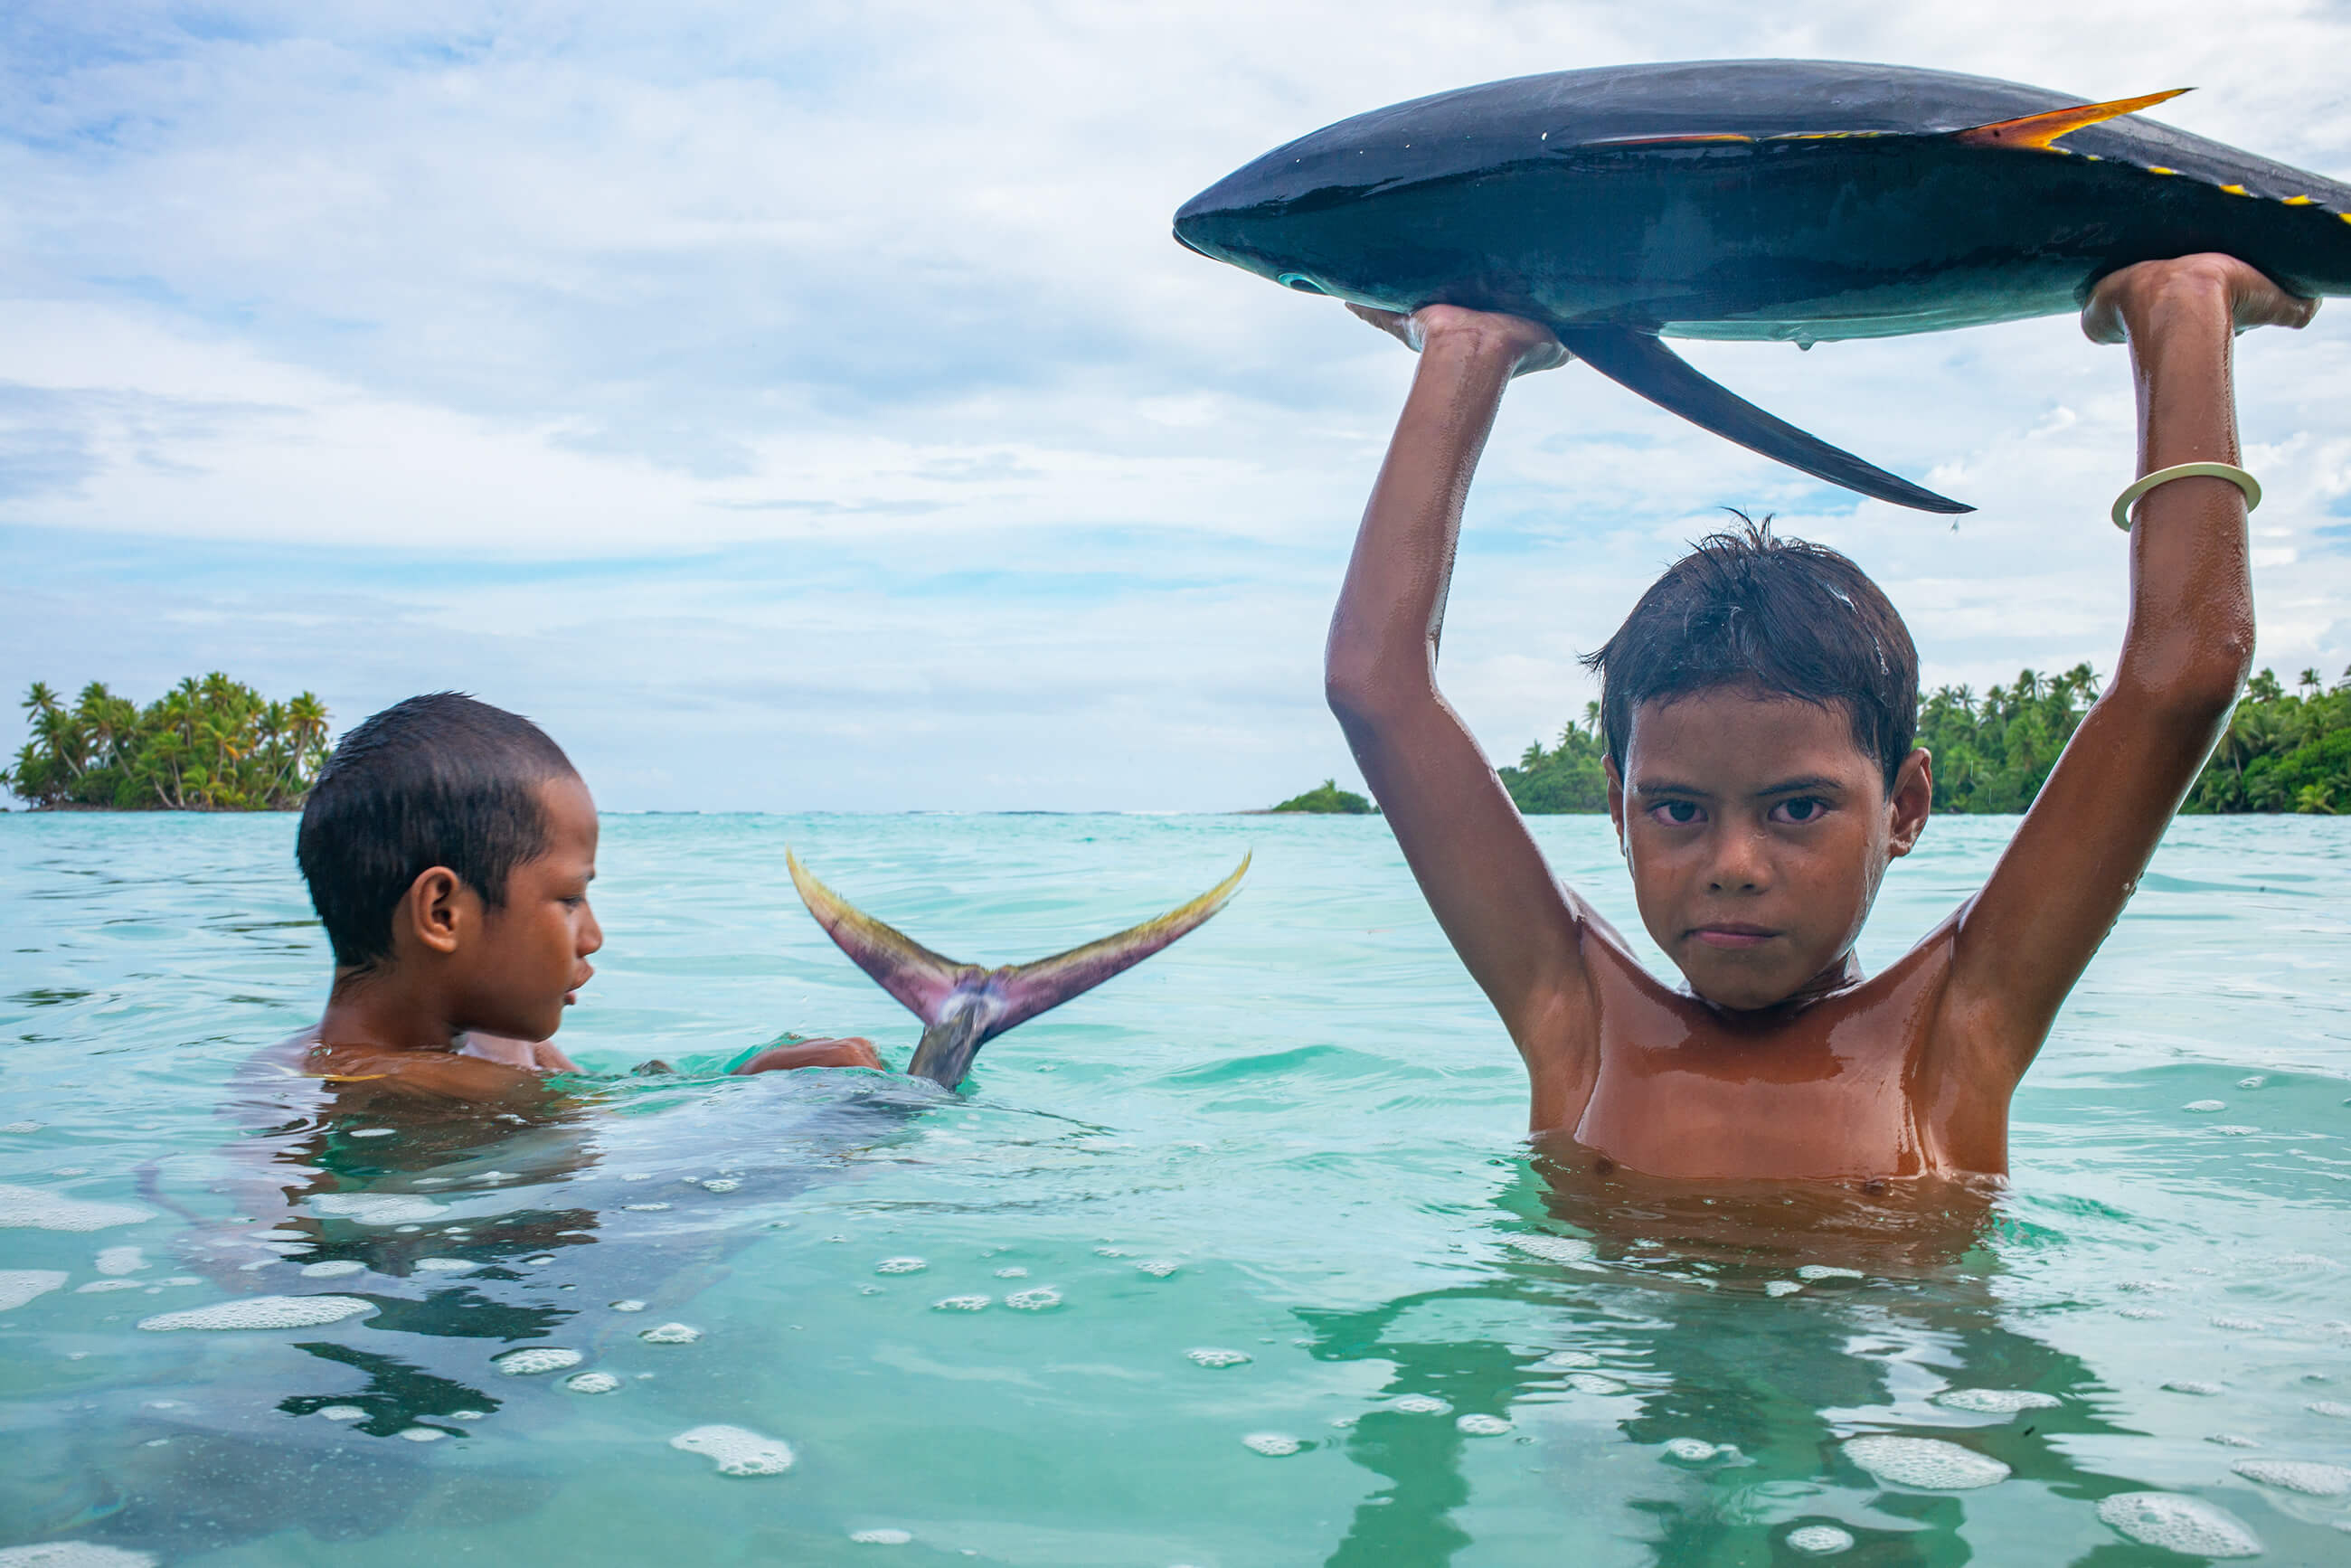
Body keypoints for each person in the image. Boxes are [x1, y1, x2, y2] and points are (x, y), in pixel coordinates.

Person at [1323, 254, 2316, 1181]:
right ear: (1615, 813)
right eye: (1674, 810)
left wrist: (2180, 314)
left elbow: (2181, 676)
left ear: (1904, 805)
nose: (1733, 864)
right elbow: (1376, 687)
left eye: (1797, 809)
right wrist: (1463, 351)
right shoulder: (1574, 1014)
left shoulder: (1957, 1027)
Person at [278, 692, 882, 1103]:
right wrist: (768, 1093)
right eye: (569, 899)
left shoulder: (505, 1044)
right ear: (442, 914)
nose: (592, 936)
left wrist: (748, 1074)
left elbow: (621, 1097)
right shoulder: (351, 1085)